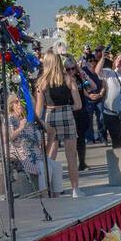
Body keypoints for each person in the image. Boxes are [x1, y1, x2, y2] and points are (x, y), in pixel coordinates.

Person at [33, 50, 81, 196]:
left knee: (49, 156)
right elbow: (78, 105)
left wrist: (36, 122)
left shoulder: (41, 82)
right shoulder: (68, 79)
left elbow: (38, 108)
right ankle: (75, 190)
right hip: (66, 113)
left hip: (50, 115)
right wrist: (67, 109)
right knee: (71, 156)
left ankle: (50, 189)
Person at [6, 94, 63, 196]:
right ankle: (44, 196)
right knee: (45, 168)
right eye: (16, 102)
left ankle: (56, 197)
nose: (19, 104)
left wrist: (46, 150)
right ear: (11, 105)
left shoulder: (31, 119)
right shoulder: (10, 119)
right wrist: (20, 128)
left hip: (38, 155)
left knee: (57, 166)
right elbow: (7, 138)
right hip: (23, 156)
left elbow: (51, 132)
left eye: (22, 101)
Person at [97, 54, 121, 148]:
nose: (119, 61)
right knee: (116, 140)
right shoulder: (108, 72)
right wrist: (103, 57)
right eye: (118, 59)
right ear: (114, 61)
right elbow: (97, 71)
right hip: (111, 113)